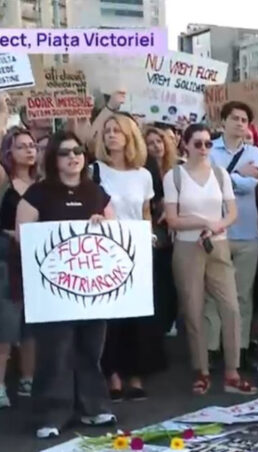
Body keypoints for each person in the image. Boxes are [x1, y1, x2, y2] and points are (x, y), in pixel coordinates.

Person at [17, 131, 117, 438]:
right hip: (52, 288)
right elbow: (23, 236)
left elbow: (115, 234)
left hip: (92, 287)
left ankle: (93, 407)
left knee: (90, 349)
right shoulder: (38, 193)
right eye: (64, 152)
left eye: (77, 151)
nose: (73, 157)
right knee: (55, 351)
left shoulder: (96, 192)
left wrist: (103, 225)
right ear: (53, 159)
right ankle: (52, 414)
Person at [164, 123, 257, 396]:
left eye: (208, 143)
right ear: (185, 145)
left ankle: (232, 372)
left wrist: (217, 226)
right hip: (188, 246)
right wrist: (202, 221)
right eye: (198, 143)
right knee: (193, 311)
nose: (204, 148)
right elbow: (172, 219)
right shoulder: (175, 176)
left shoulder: (220, 174)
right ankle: (201, 371)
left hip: (217, 244)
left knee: (231, 307)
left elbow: (232, 212)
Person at [91, 114, 164, 402]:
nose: (111, 135)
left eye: (117, 131)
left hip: (137, 250)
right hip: (106, 251)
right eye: (107, 131)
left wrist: (150, 237)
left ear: (129, 137)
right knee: (111, 316)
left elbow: (145, 212)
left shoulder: (143, 175)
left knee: (138, 315)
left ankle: (136, 373)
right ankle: (112, 374)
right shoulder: (95, 171)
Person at [207, 101, 258, 371]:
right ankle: (211, 347)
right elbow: (208, 183)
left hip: (247, 232)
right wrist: (237, 173)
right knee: (213, 293)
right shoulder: (209, 149)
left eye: (244, 120)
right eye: (235, 118)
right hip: (217, 230)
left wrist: (226, 178)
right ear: (223, 122)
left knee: (242, 294)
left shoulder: (254, 151)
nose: (240, 123)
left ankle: (239, 347)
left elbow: (250, 184)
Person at [0, 128, 37, 408]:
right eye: (21, 146)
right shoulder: (4, 184)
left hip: (36, 261)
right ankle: (0, 385)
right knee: (6, 325)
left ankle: (28, 378)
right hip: (8, 262)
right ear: (9, 152)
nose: (29, 150)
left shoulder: (43, 184)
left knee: (31, 325)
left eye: (32, 145)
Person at [145, 127, 179, 334]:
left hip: (179, 231)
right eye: (150, 143)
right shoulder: (142, 171)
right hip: (157, 231)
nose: (156, 146)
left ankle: (172, 320)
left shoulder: (178, 168)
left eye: (159, 141)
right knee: (159, 278)